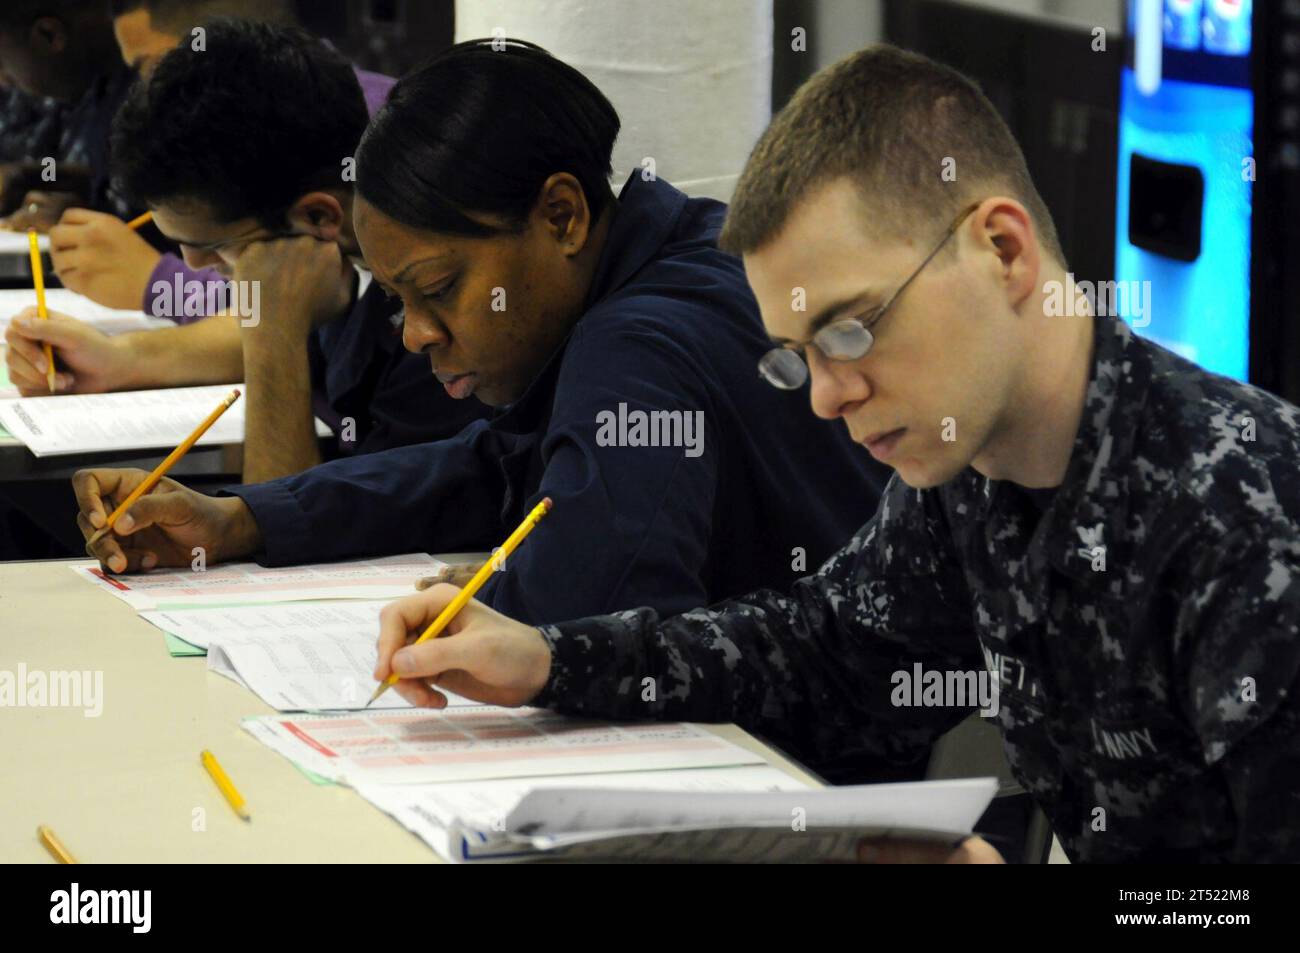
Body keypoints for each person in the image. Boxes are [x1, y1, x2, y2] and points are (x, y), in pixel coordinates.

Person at [328, 46, 1300, 863]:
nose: (831, 396)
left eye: (847, 331)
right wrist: (548, 660)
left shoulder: (1246, 511)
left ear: (1000, 250)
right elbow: (823, 648)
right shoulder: (969, 468)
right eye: (800, 360)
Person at [72, 44, 896, 766]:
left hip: (796, 779)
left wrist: (512, 581)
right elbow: (497, 461)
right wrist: (241, 519)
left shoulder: (635, 345)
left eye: (438, 290)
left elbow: (584, 631)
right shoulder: (678, 245)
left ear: (561, 216)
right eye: (396, 301)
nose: (416, 335)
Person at [6, 19, 488, 482]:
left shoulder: (436, 332)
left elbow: (277, 533)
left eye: (212, 245)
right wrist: (120, 358)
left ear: (319, 217)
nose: (194, 265)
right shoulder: (339, 257)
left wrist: (271, 333)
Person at [41, 0, 386, 313]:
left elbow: (275, 306)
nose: (149, 86)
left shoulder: (372, 132)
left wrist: (158, 283)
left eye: (152, 65)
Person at [0, 0, 133, 229]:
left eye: (1, 63)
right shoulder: (89, 84)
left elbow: (186, 228)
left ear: (48, 35)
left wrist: (96, 220)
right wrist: (28, 178)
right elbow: (101, 177)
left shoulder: (153, 84)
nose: (3, 82)